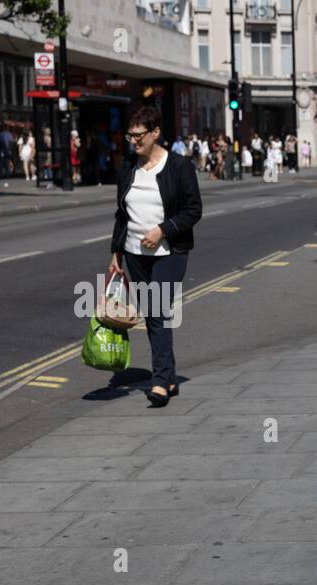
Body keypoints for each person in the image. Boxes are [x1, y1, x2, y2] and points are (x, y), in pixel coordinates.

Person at [109, 104, 202, 408]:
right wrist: (116, 252)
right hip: (135, 253)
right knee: (152, 315)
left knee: (157, 311)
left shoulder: (178, 166)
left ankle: (159, 382)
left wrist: (163, 230)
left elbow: (193, 210)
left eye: (139, 136)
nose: (133, 141)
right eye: (130, 136)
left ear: (156, 133)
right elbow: (121, 214)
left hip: (169, 252)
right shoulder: (127, 166)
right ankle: (170, 376)